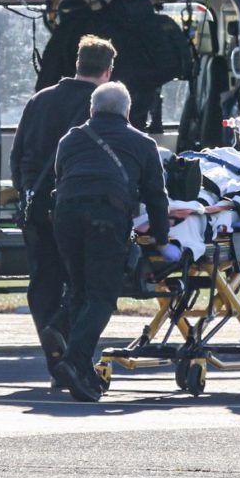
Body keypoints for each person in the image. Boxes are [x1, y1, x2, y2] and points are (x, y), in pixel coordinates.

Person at [49, 81, 170, 402]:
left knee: (79, 290)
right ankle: (74, 361)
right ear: (128, 112)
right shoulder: (142, 144)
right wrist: (160, 238)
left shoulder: (69, 140)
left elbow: (60, 179)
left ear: (91, 110)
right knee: (102, 297)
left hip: (66, 216)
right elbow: (157, 197)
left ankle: (82, 368)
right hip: (107, 216)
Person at [9, 34, 115, 378]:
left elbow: (18, 154)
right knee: (82, 284)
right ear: (108, 70)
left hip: (37, 207)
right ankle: (72, 351)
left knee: (43, 282)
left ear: (77, 63)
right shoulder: (103, 107)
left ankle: (54, 356)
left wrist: (26, 191)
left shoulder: (39, 101)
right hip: (80, 208)